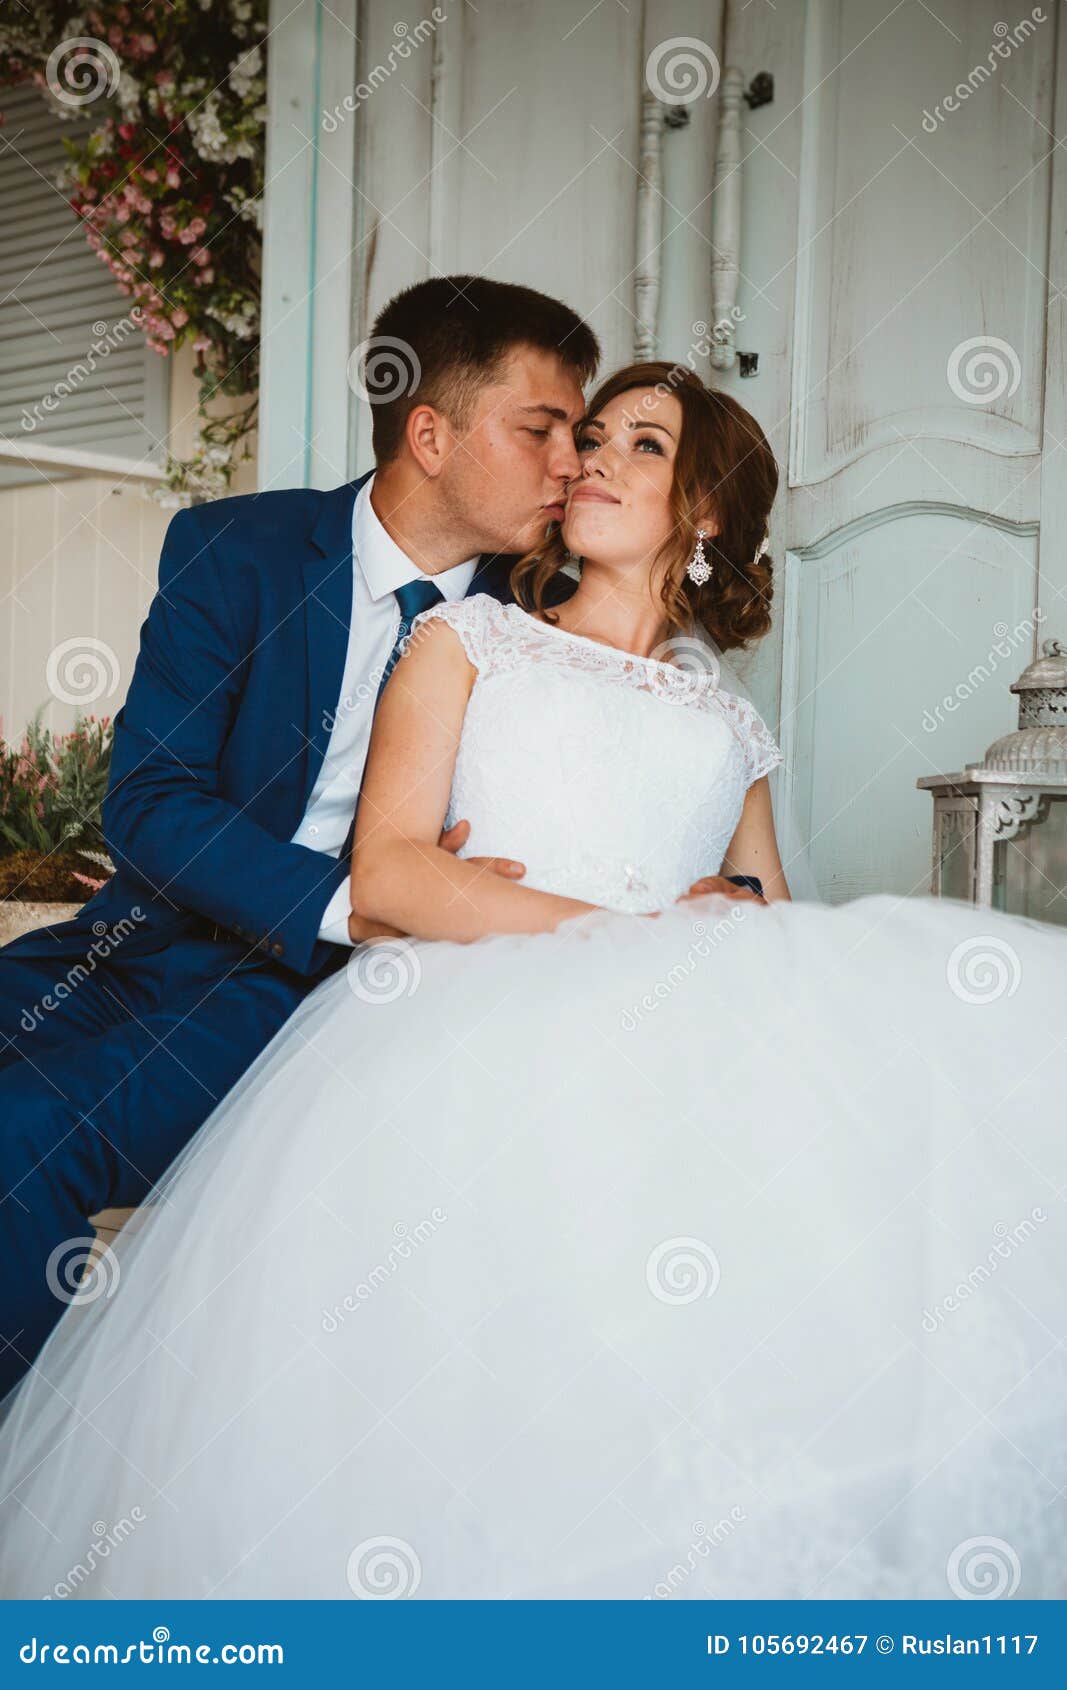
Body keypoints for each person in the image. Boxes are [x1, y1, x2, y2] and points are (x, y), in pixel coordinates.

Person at [1, 360, 1063, 1601]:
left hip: (682, 1033)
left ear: (706, 510)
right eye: (589, 435)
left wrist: (729, 918)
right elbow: (390, 871)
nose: (593, 461)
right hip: (468, 1016)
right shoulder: (468, 640)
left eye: (642, 446)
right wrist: (621, 929)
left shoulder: (723, 720)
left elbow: (770, 904)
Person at [1, 276, 740, 1398]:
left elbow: (646, 757)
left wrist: (713, 893)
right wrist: (369, 890)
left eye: (585, 438)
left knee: (26, 1134)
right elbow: (153, 802)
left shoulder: (536, 610)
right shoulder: (235, 550)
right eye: (544, 430)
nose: (572, 465)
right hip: (143, 943)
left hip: (326, 994)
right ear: (429, 432)